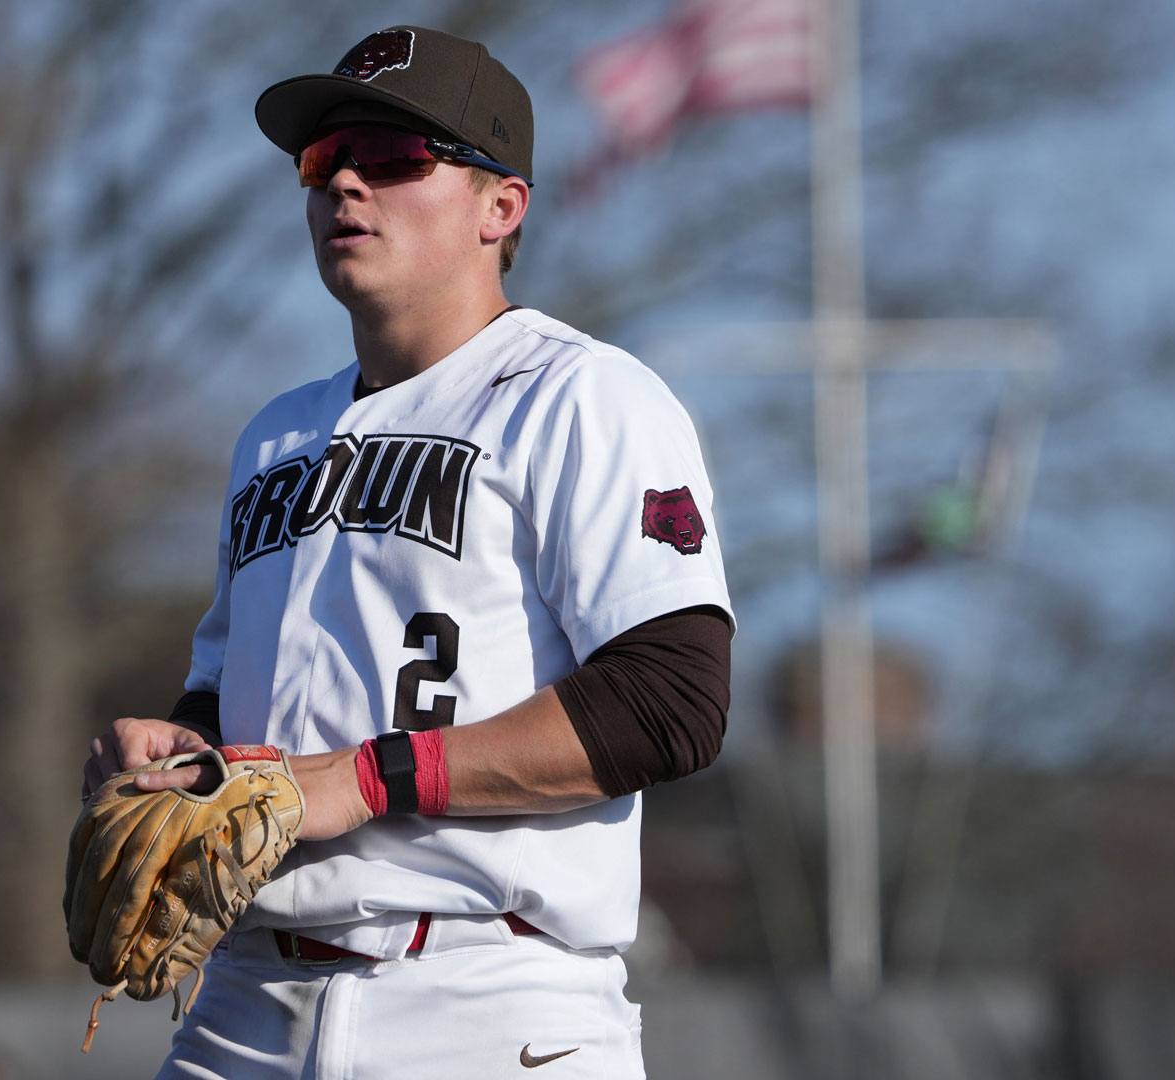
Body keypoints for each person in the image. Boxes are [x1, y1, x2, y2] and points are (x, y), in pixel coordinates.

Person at [84, 25, 733, 1079]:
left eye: (391, 158)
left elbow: (674, 699)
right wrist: (179, 756)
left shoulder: (582, 397)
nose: (344, 180)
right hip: (244, 1004)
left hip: (487, 998)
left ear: (500, 206)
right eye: (321, 159)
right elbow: (230, 700)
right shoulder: (274, 436)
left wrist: (374, 777)